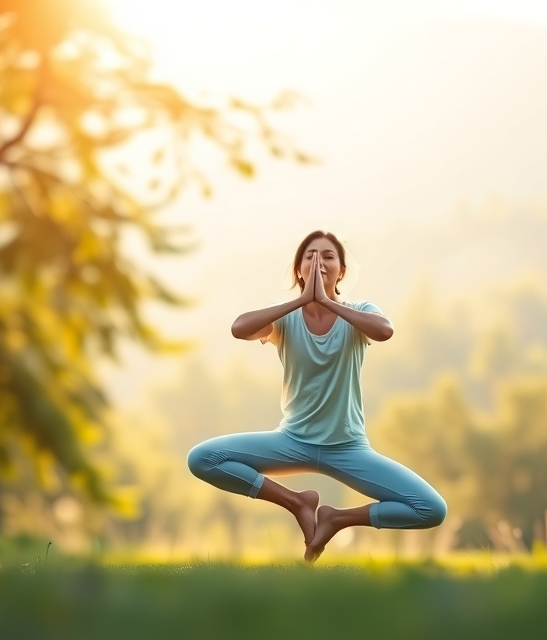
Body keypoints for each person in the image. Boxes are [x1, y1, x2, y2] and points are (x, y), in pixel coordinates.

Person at [187, 230, 446, 562]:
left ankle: (336, 518)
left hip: (348, 447)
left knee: (430, 509)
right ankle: (298, 502)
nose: (318, 262)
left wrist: (326, 302)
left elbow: (384, 331)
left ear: (341, 272)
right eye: (309, 256)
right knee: (202, 459)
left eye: (328, 256)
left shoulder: (360, 312)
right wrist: (301, 301)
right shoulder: (286, 319)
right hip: (293, 441)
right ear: (298, 270)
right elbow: (240, 328)